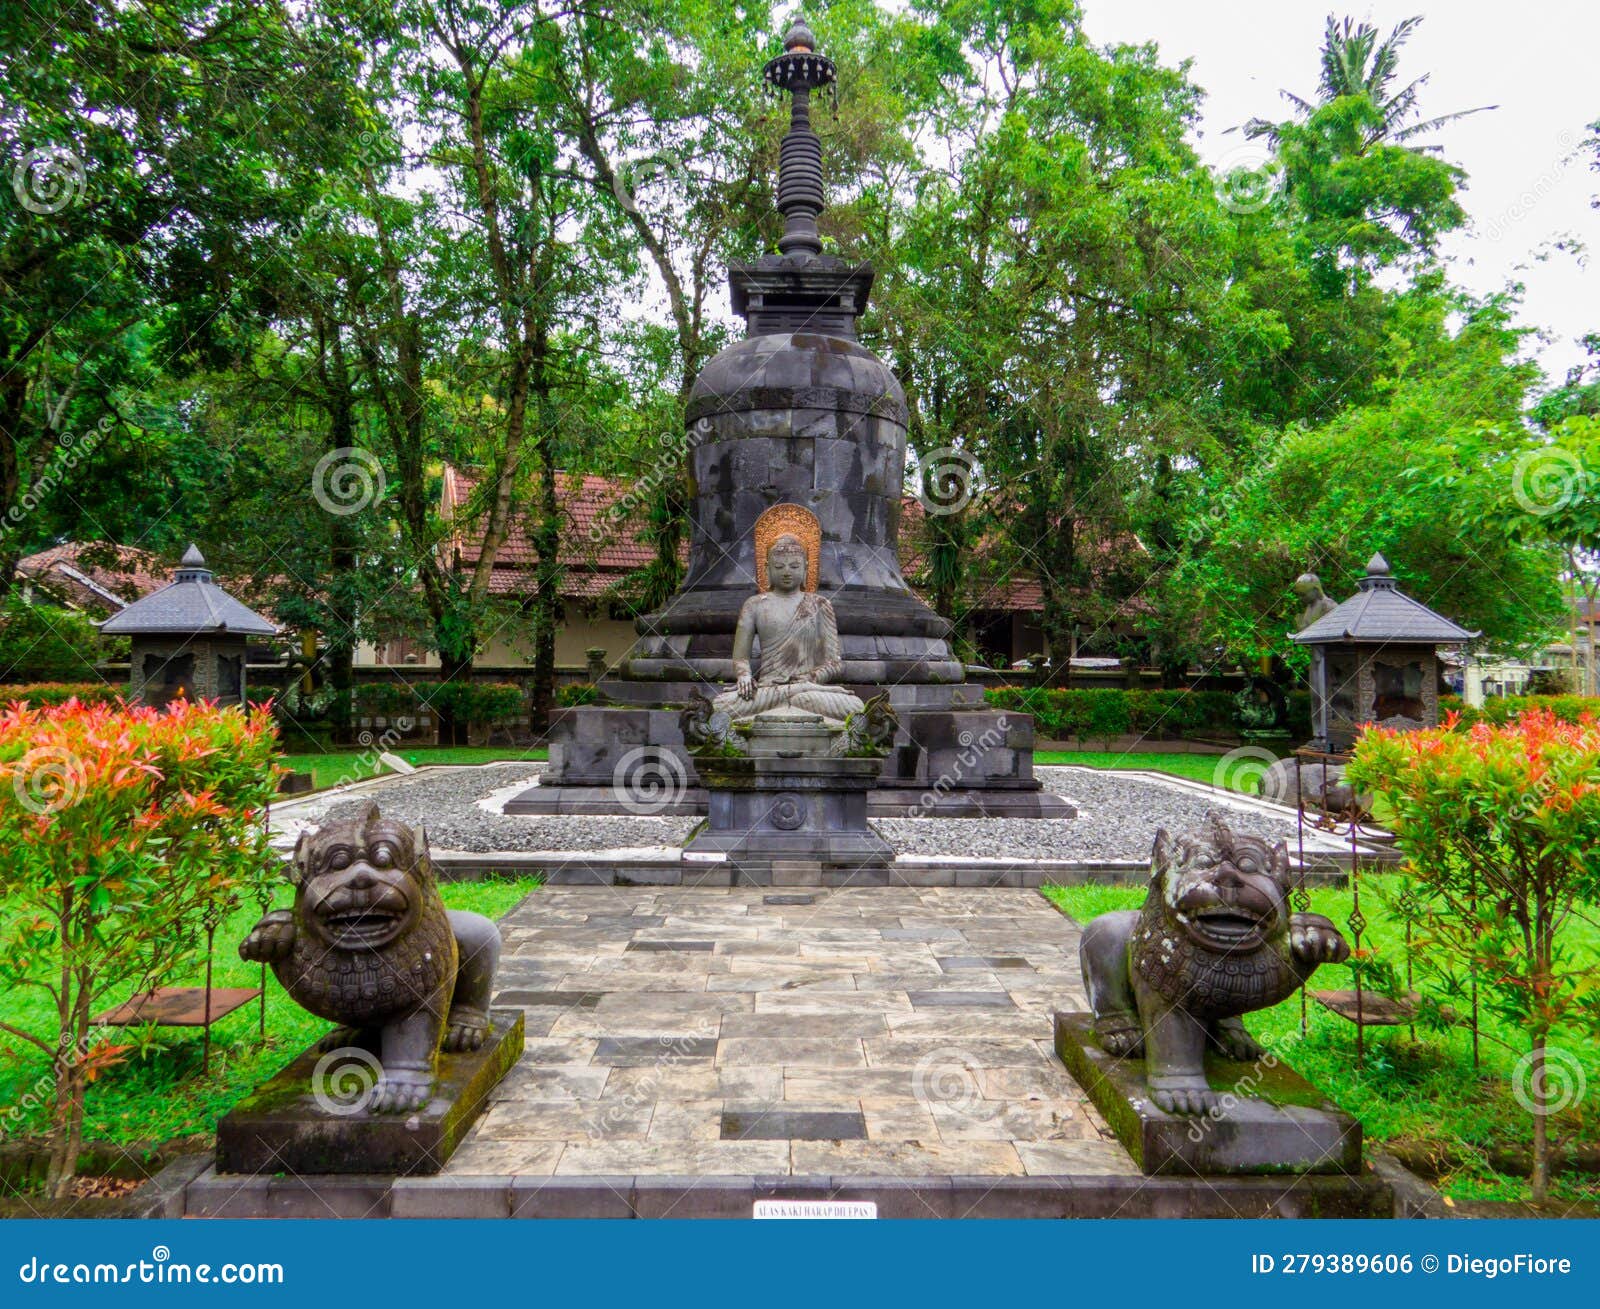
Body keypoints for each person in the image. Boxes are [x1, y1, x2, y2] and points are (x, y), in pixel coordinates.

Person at [711, 534, 864, 725]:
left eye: (794, 566)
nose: (786, 572)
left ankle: (790, 700)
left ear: (806, 569)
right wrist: (744, 676)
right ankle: (792, 700)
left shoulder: (820, 604)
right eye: (779, 567)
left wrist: (809, 678)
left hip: (808, 688)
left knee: (854, 706)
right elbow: (741, 657)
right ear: (766, 569)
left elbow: (834, 663)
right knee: (721, 704)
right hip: (768, 689)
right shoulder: (754, 605)